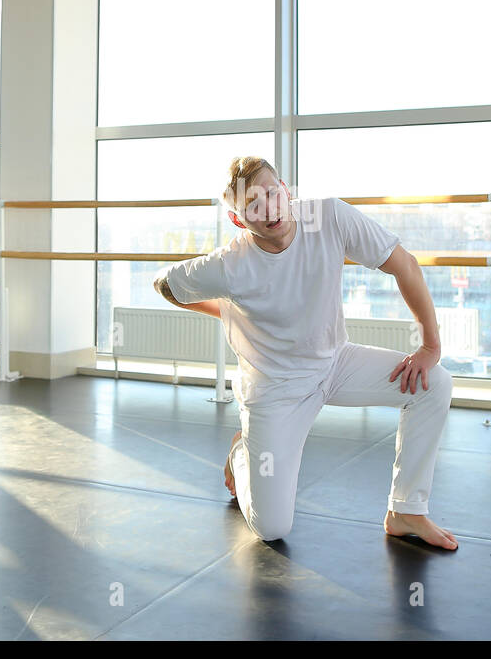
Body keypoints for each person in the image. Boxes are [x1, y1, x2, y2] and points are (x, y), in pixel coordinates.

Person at [152, 156, 457, 550]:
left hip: (336, 363)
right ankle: (241, 456)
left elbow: (406, 267)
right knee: (273, 528)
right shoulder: (229, 265)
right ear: (237, 220)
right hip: (276, 389)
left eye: (272, 194)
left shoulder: (330, 217)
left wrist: (430, 347)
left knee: (435, 383)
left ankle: (406, 510)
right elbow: (165, 284)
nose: (269, 210)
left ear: (286, 190)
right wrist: (226, 310)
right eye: (252, 206)